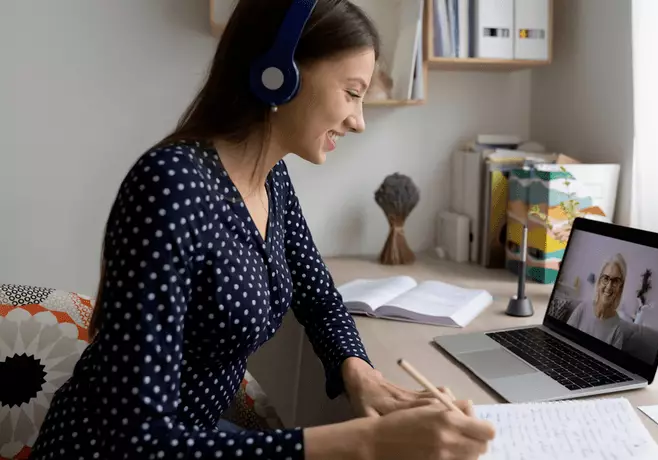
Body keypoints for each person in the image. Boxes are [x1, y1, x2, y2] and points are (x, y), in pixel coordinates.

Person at [28, 1, 495, 459]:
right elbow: (137, 439)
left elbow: (320, 298)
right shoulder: (170, 186)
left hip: (201, 438)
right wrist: (368, 442)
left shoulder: (270, 178)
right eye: (352, 93)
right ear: (280, 73)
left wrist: (359, 373)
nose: (358, 120)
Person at [566, 254, 632, 349]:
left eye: (616, 281)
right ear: (599, 282)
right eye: (605, 278)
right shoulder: (582, 308)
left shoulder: (618, 330)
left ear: (620, 288)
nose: (609, 286)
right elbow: (564, 339)